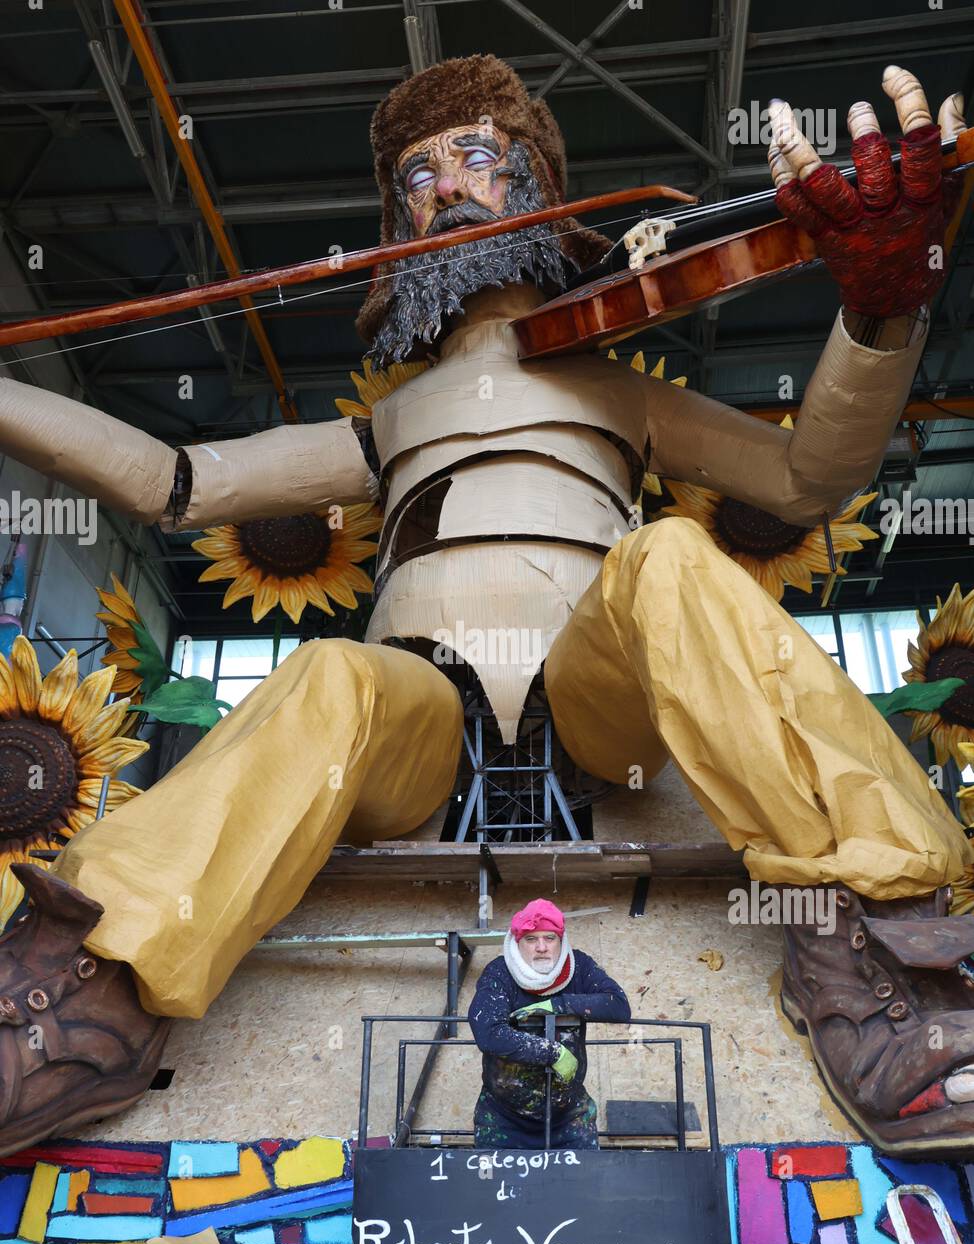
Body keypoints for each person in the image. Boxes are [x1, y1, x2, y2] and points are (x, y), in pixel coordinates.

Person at [0, 56, 973, 1157]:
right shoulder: (388, 422)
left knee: (664, 557)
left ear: (537, 188)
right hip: (416, 714)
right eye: (416, 176)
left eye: (475, 156)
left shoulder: (618, 391)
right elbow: (170, 484)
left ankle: (886, 944)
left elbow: (807, 481)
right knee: (327, 674)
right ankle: (83, 992)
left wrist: (880, 311)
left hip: (590, 705)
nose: (445, 188)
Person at [468, 898, 630, 1149]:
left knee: (582, 1187)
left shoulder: (578, 966)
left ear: (561, 940)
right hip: (503, 1119)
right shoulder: (500, 972)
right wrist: (551, 1052)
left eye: (550, 938)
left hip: (570, 1117)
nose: (541, 947)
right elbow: (488, 1032)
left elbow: (619, 1005)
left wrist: (559, 1005)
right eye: (531, 939)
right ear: (517, 942)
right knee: (497, 1188)